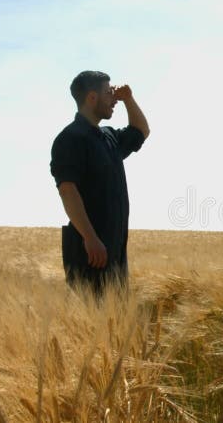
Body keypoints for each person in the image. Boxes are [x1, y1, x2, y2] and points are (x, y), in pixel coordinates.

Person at [50, 70, 150, 301]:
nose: (114, 99)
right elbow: (68, 191)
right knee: (89, 324)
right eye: (109, 93)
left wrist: (129, 99)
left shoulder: (108, 137)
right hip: (90, 251)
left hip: (114, 250)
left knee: (114, 320)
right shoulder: (70, 138)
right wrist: (90, 237)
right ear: (92, 97)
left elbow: (141, 131)